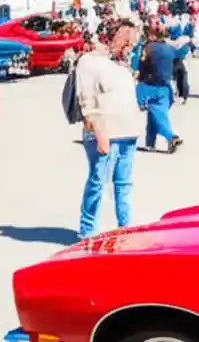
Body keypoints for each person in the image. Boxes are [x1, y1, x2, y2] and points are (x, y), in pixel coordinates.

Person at [75, 21, 143, 238]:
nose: (131, 45)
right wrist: (98, 133)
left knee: (124, 184)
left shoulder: (121, 63)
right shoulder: (89, 62)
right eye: (127, 39)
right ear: (114, 36)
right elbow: (87, 100)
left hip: (128, 131)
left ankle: (126, 227)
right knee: (97, 182)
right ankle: (87, 230)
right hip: (105, 133)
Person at [136, 23, 188, 153]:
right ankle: (150, 142)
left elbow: (140, 66)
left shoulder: (148, 48)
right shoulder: (170, 49)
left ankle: (171, 137)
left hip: (149, 86)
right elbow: (180, 65)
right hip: (166, 87)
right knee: (155, 114)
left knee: (157, 114)